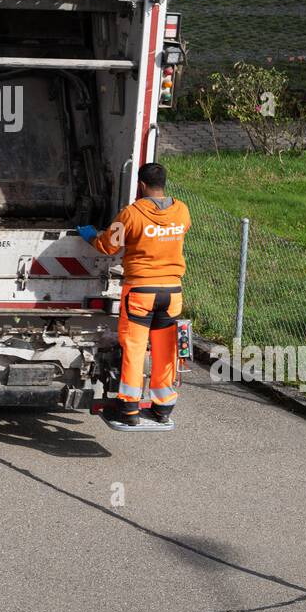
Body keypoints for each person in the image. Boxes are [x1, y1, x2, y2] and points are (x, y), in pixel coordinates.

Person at [77, 162, 190, 431]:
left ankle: (129, 407)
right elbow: (178, 232)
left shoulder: (132, 214)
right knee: (166, 350)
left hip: (141, 292)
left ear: (140, 185)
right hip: (172, 292)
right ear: (164, 183)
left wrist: (93, 236)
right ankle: (163, 407)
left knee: (135, 348)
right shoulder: (182, 211)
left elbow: (108, 246)